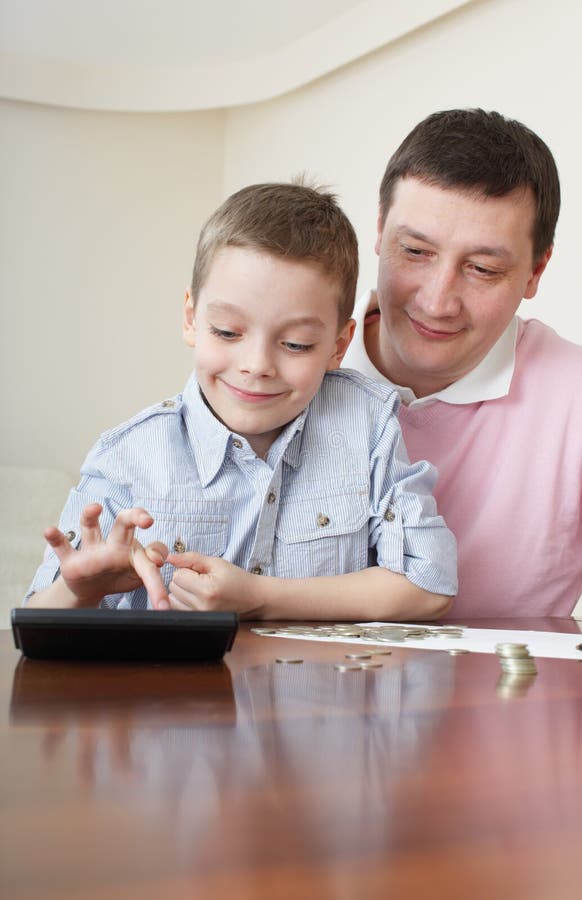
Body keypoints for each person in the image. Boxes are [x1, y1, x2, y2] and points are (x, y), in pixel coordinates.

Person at [26, 182, 457, 620]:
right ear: (192, 318)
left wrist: (260, 596)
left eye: (295, 344)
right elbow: (37, 620)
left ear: (337, 346)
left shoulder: (367, 422)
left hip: (324, 687)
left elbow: (429, 584)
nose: (256, 365)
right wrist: (77, 592)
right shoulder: (127, 457)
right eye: (228, 332)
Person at [342, 108, 582, 618]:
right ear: (380, 232)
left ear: (536, 272)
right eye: (415, 251)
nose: (437, 301)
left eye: (482, 269)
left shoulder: (573, 396)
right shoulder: (286, 362)